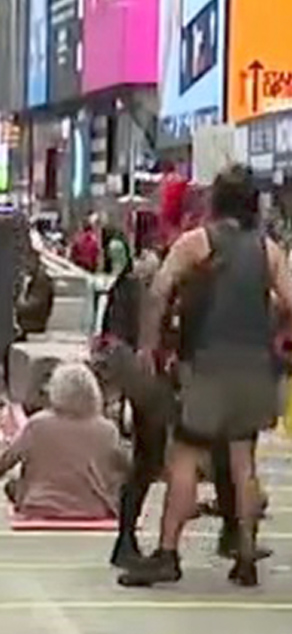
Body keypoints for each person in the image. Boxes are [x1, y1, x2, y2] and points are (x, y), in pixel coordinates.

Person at [123, 167, 292, 588]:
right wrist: (268, 328)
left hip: (207, 363)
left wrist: (149, 344)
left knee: (184, 457)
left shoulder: (196, 243)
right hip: (255, 366)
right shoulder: (268, 250)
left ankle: (167, 553)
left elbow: (160, 290)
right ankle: (246, 554)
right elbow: (289, 300)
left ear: (214, 200)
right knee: (243, 461)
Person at [0, 362, 127, 521]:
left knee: (13, 485)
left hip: (40, 504)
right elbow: (125, 468)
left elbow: (4, 463)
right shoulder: (107, 430)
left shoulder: (38, 424)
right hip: (93, 508)